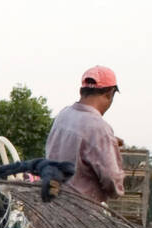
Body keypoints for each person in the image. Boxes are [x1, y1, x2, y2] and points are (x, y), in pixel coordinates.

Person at [42, 65, 125, 204]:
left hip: (52, 205)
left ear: (82, 91)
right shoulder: (100, 128)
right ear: (110, 93)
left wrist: (109, 142)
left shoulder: (63, 115)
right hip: (80, 212)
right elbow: (112, 182)